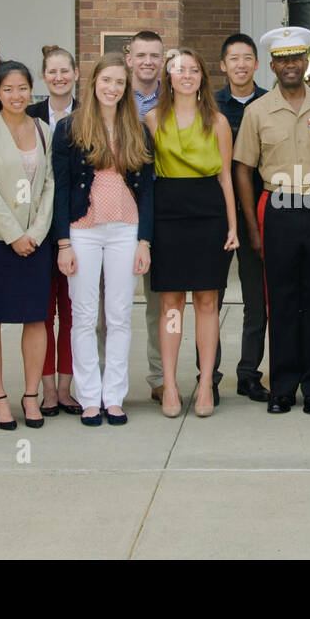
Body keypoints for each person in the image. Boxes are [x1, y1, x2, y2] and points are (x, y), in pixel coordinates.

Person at [233, 26, 310, 414]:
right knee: (279, 301)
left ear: (306, 61)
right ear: (273, 66)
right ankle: (282, 387)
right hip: (275, 208)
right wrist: (253, 227)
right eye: (283, 59)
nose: (290, 65)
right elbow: (243, 169)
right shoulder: (256, 111)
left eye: (297, 57)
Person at [53, 53, 154, 426]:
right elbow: (61, 189)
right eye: (106, 80)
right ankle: (89, 397)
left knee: (119, 316)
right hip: (83, 230)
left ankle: (114, 397)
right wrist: (63, 243)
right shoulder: (70, 128)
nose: (112, 88)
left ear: (126, 89)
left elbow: (146, 192)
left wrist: (145, 241)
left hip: (125, 230)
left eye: (119, 83)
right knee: (82, 316)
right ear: (93, 82)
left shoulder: (137, 130)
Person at [144, 49, 237, 418]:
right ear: (169, 76)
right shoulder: (152, 119)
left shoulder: (217, 121)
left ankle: (204, 385)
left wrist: (232, 225)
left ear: (202, 77)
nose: (186, 75)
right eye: (179, 69)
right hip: (168, 212)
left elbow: (226, 176)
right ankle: (169, 383)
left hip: (209, 213)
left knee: (206, 302)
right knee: (170, 305)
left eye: (193, 70)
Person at [0, 60, 55, 430]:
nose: (16, 96)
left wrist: (34, 233)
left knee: (36, 317)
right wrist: (14, 235)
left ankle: (31, 395)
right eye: (8, 89)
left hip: (36, 241)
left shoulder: (43, 130)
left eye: (23, 88)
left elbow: (51, 184)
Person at [214, 33, 271, 401]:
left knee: (256, 300)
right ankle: (209, 374)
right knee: (210, 299)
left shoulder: (269, 103)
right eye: (233, 58)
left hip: (257, 216)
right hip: (216, 217)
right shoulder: (209, 105)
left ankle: (249, 373)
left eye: (247, 57)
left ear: (256, 63)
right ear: (223, 65)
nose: (240, 64)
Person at [28, 44, 81, 416]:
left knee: (74, 312)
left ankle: (66, 388)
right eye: (52, 71)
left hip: (78, 225)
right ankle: (46, 390)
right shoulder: (27, 115)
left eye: (66, 71)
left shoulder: (89, 114)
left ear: (76, 74)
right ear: (44, 77)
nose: (59, 77)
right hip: (36, 227)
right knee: (41, 312)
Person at [126, 31, 170, 405]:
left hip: (160, 208)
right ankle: (110, 382)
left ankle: (159, 377)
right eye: (141, 55)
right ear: (129, 58)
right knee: (112, 305)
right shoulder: (113, 96)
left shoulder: (174, 100)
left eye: (155, 56)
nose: (148, 62)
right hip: (116, 207)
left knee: (159, 302)